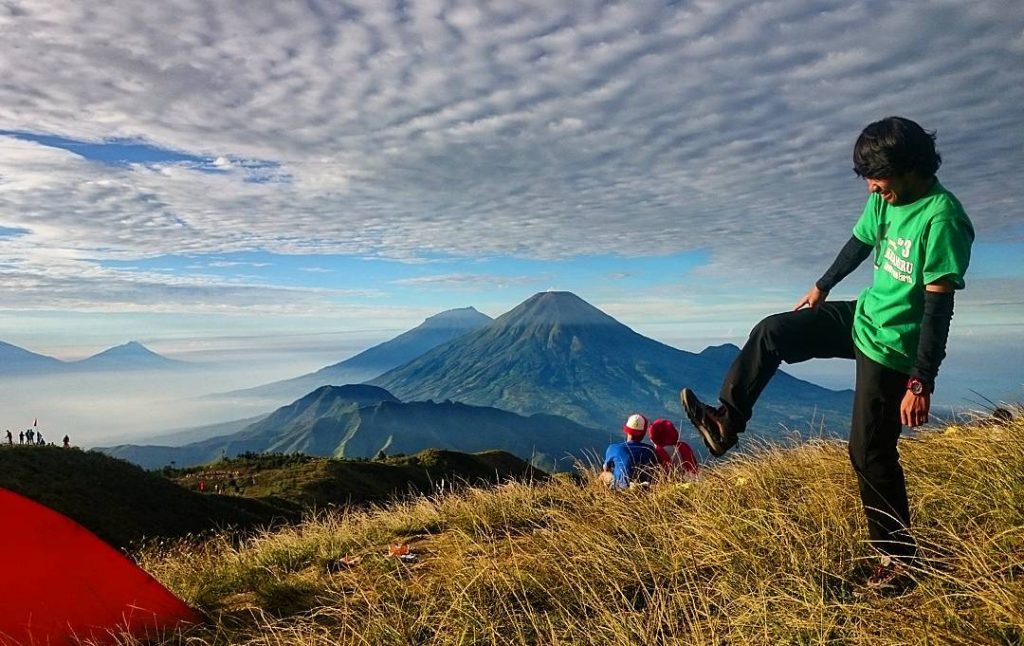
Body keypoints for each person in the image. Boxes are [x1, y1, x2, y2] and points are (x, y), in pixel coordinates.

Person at [678, 116, 974, 593]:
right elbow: (860, 242)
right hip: (863, 318)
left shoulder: (942, 219)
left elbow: (939, 307)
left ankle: (900, 563)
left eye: (877, 179)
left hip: (895, 349)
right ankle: (724, 424)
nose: (872, 190)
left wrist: (921, 379)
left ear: (907, 168)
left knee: (869, 452)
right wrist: (822, 286)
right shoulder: (886, 199)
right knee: (773, 331)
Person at [601, 413, 659, 489]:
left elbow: (606, 468)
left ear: (626, 430)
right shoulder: (650, 450)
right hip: (645, 489)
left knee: (604, 474)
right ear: (644, 433)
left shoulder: (613, 448)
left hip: (620, 489)